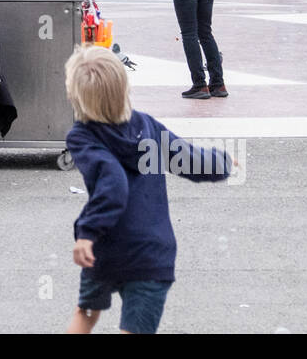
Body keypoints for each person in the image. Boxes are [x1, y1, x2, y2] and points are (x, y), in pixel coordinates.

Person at [63, 45, 232, 334]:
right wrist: (222, 163)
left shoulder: (82, 136)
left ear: (76, 96)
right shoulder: (147, 127)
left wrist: (87, 234)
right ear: (123, 87)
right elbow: (187, 159)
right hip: (150, 253)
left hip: (104, 250)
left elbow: (113, 183)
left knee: (87, 313)